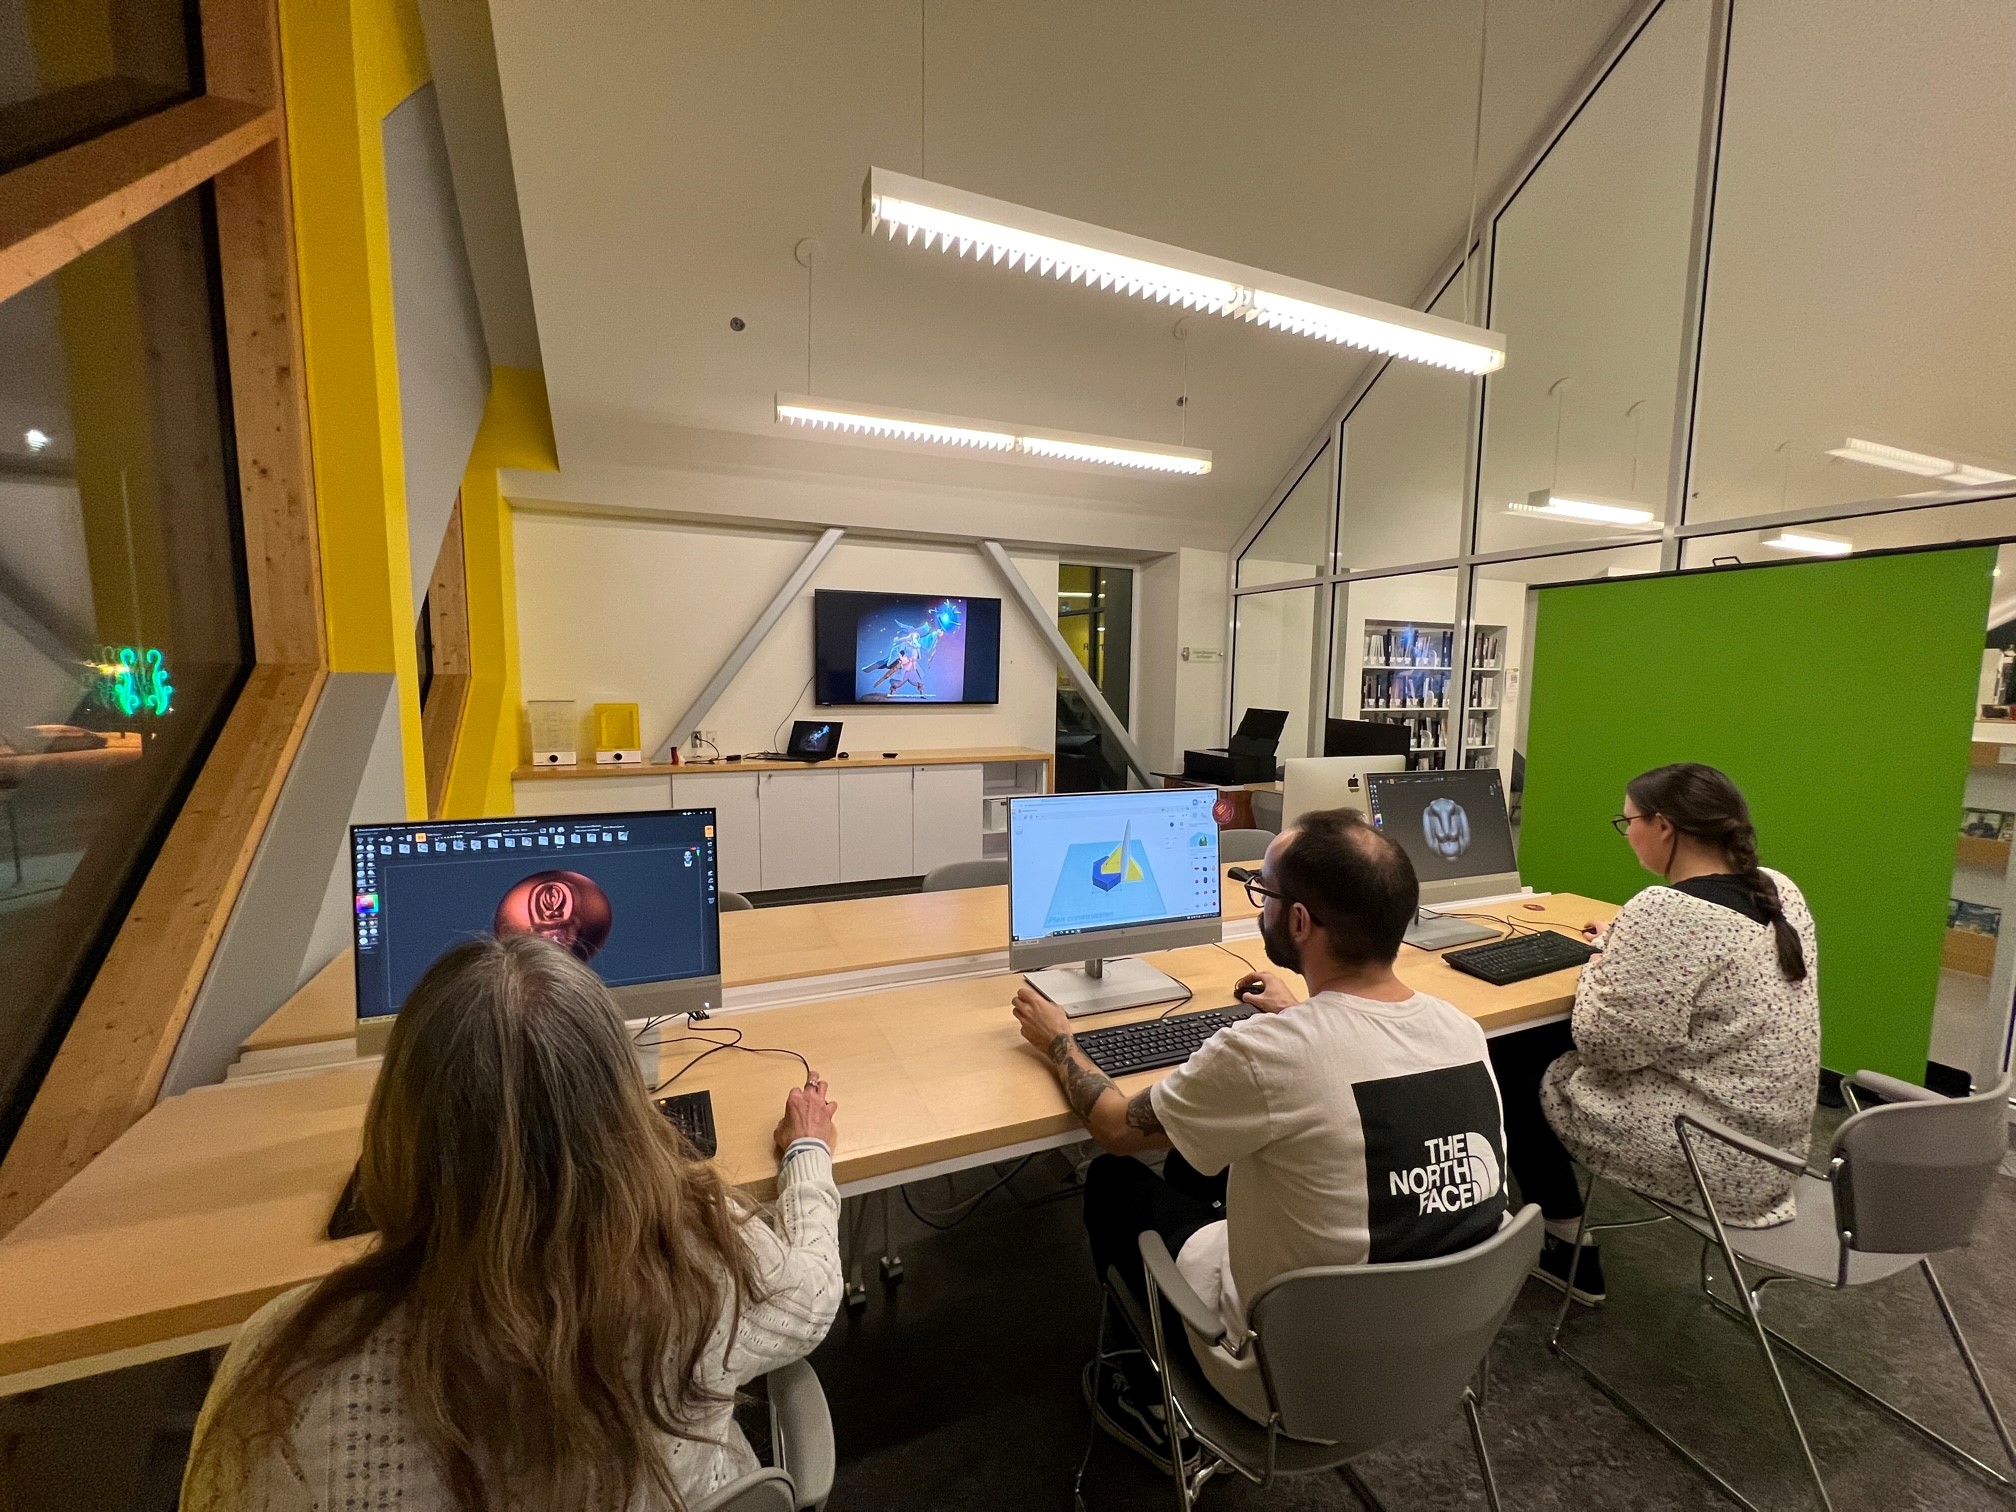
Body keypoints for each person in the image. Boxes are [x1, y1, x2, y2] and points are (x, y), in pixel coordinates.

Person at [182, 933, 843, 1512]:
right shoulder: (701, 1262)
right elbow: (812, 1298)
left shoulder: (286, 1379)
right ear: (623, 1112)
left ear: (397, 1124)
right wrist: (808, 1154)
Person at [1012, 808, 1508, 1464]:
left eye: (1263, 892)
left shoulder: (1264, 1055)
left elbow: (1113, 1126)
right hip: (1428, 1364)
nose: (1259, 905)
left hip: (1285, 1387)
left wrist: (1060, 1040)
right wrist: (1306, 1014)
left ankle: (1150, 1399)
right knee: (1208, 1158)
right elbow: (1342, 1063)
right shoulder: (1461, 1033)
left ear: (1299, 921)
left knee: (1113, 1180)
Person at [1491, 762, 1819, 1307]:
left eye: (1629, 822)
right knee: (1541, 1045)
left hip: (1710, 1155)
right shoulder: (1777, 889)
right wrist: (1624, 943)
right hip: (1772, 1152)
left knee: (1512, 1057)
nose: (1628, 835)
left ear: (1663, 826)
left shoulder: (1665, 909)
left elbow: (1605, 1047)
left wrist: (1599, 963)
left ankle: (1565, 1245)